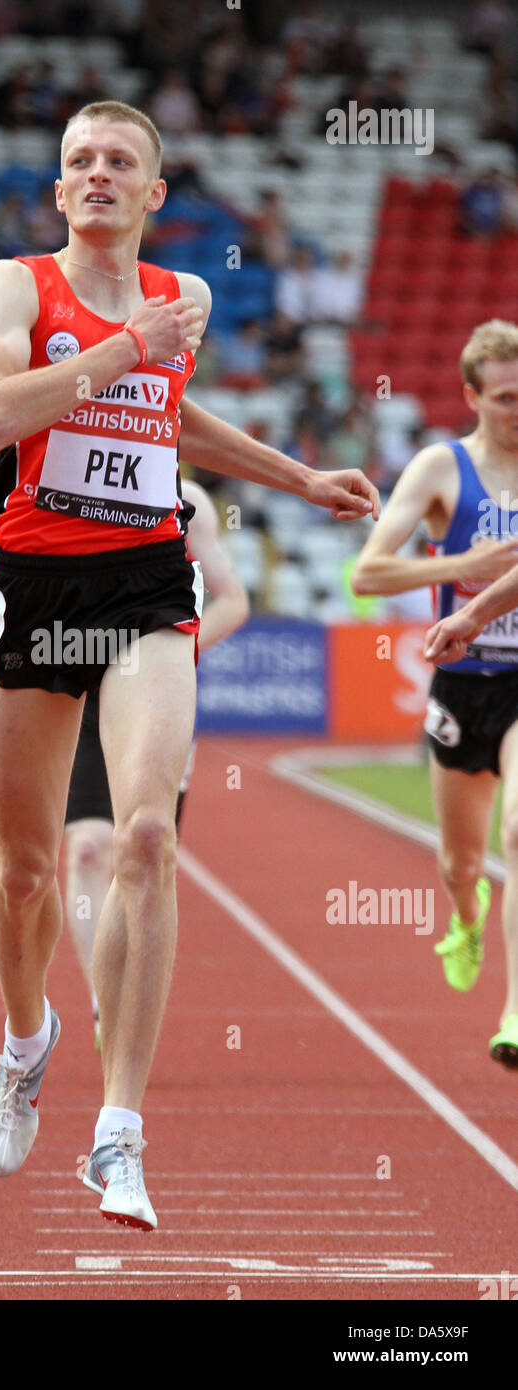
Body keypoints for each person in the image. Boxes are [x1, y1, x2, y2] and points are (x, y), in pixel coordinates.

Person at [0, 100, 378, 1230]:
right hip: (38, 584)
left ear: (153, 194)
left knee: (145, 834)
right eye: (77, 162)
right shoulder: (15, 286)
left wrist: (300, 479)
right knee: (23, 873)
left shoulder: (174, 309)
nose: (95, 175)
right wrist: (128, 347)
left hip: (147, 584)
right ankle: (24, 1039)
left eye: (119, 163)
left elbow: (167, 420)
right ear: (58, 191)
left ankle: (118, 1134)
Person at [352, 319, 518, 1069]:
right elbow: (368, 575)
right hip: (462, 681)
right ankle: (464, 915)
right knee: (460, 862)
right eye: (508, 398)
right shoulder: (441, 469)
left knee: (516, 837)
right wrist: (460, 564)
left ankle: (515, 1011)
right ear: (473, 397)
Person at [64, 478, 249, 1048]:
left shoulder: (185, 497)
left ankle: (122, 991)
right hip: (80, 690)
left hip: (152, 693)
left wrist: (175, 652)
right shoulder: (62, 476)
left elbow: (235, 600)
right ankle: (105, 1001)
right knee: (89, 848)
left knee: (139, 852)